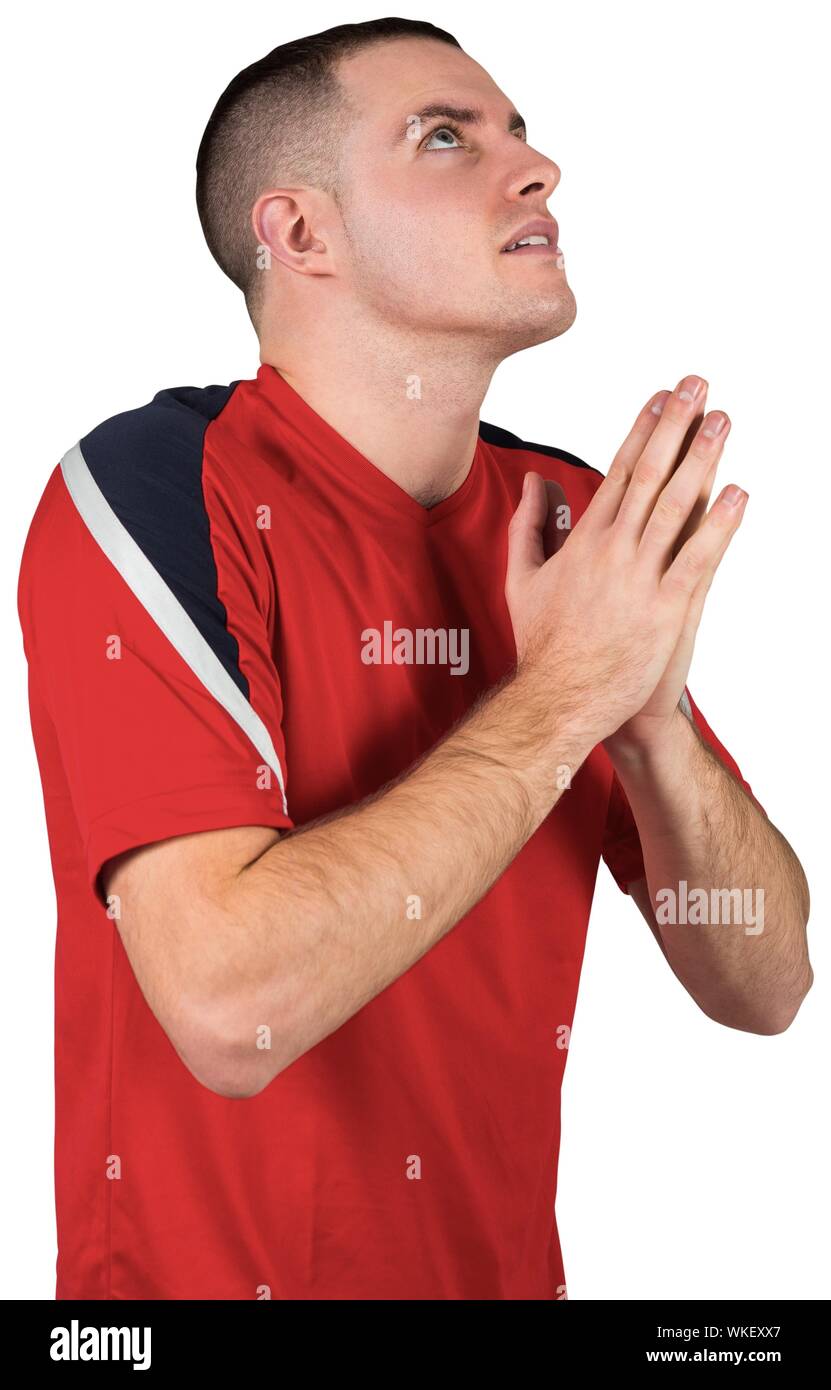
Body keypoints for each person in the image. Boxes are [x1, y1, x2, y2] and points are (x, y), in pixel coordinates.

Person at [17, 17, 811, 1301]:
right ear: (302, 235)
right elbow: (229, 1008)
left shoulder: (563, 516)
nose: (537, 167)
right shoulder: (153, 488)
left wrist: (652, 723)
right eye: (446, 137)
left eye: (519, 131)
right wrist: (566, 697)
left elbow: (766, 981)